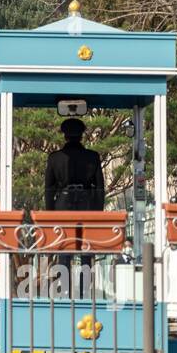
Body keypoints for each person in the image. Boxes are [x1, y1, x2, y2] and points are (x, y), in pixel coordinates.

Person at [43, 118, 105, 297]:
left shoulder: (55, 158)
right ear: (82, 134)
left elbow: (49, 188)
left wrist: (50, 213)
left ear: (65, 134)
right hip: (86, 203)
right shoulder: (92, 157)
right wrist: (98, 212)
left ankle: (65, 292)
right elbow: (99, 187)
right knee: (86, 249)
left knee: (64, 249)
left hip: (62, 203)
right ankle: (85, 293)